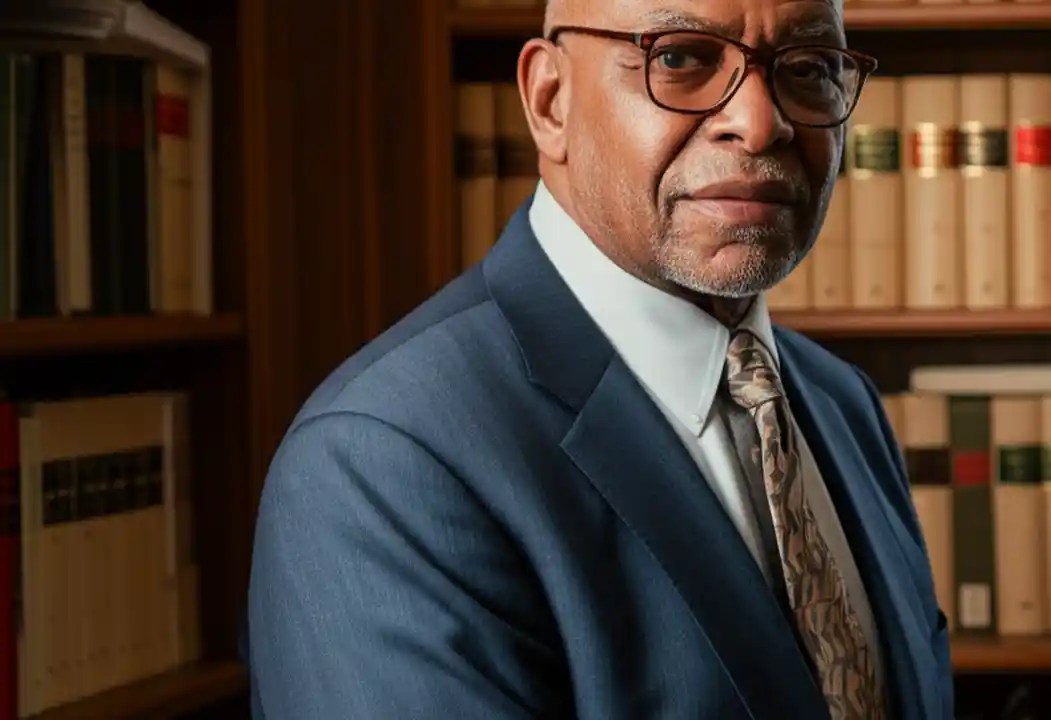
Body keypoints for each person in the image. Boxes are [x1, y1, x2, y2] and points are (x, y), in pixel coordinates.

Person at [243, 0, 953, 717]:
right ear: (550, 100)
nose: (761, 121)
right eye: (681, 58)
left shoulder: (841, 403)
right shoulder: (382, 458)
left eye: (808, 68)